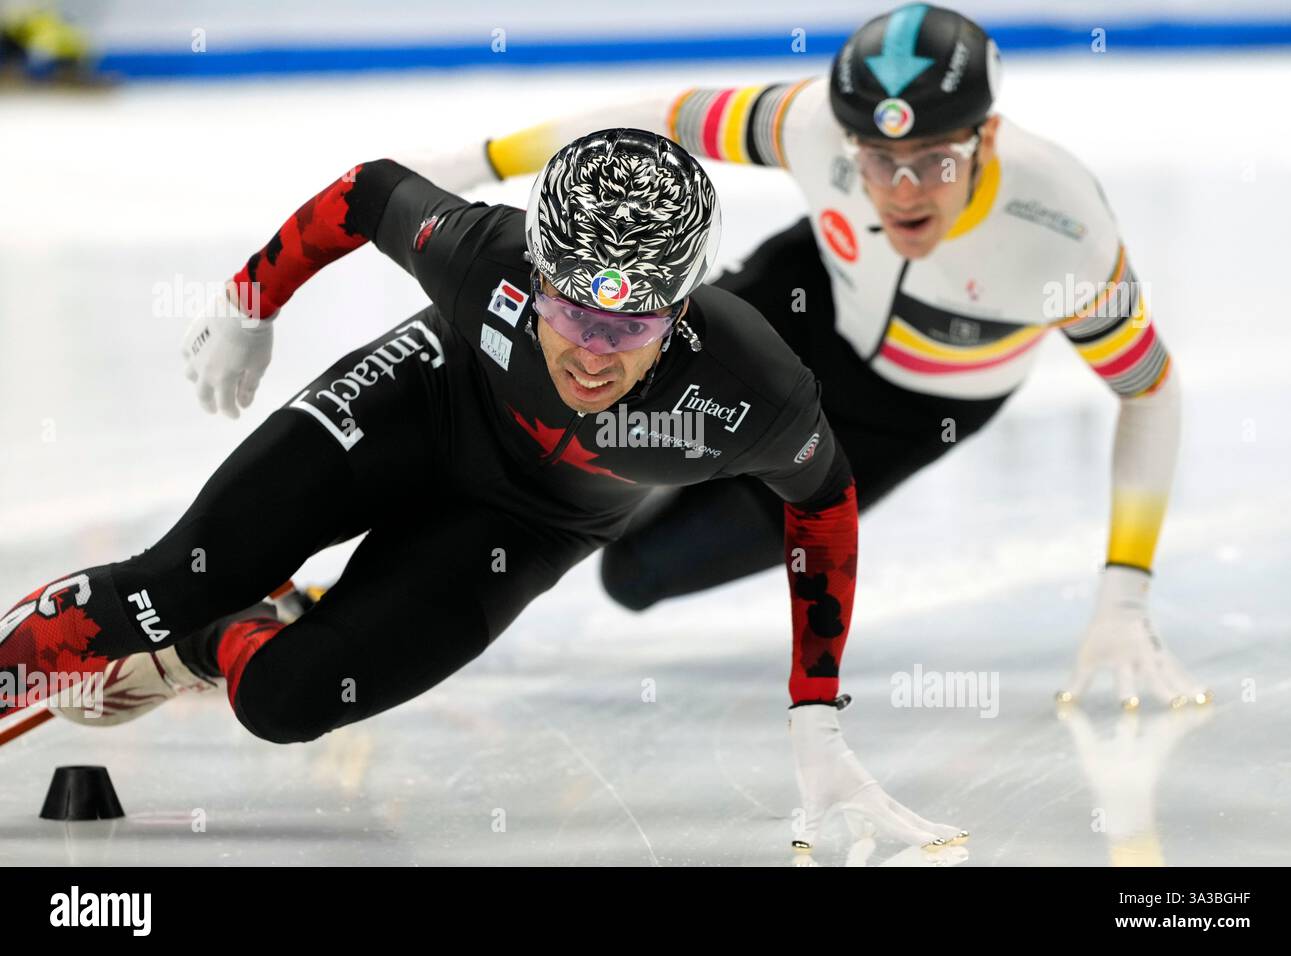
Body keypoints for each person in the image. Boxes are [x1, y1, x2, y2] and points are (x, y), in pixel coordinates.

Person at [0, 129, 965, 854]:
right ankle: (194, 613)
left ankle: (217, 640)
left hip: (532, 523)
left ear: (680, 310)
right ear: (534, 274)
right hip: (422, 397)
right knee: (168, 583)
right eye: (568, 307)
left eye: (629, 329)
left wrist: (815, 711)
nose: (591, 352)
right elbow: (367, 192)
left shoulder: (752, 388)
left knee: (287, 701)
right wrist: (253, 301)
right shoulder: (486, 258)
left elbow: (824, 507)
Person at [399, 2, 1208, 711]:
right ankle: (388, 583)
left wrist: (1125, 596)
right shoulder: (816, 123)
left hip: (916, 411)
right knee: (589, 447)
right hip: (803, 305)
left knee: (638, 573)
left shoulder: (1060, 233)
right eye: (875, 162)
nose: (901, 190)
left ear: (988, 136)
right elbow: (662, 116)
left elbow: (1152, 393)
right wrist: (476, 161)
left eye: (935, 161)